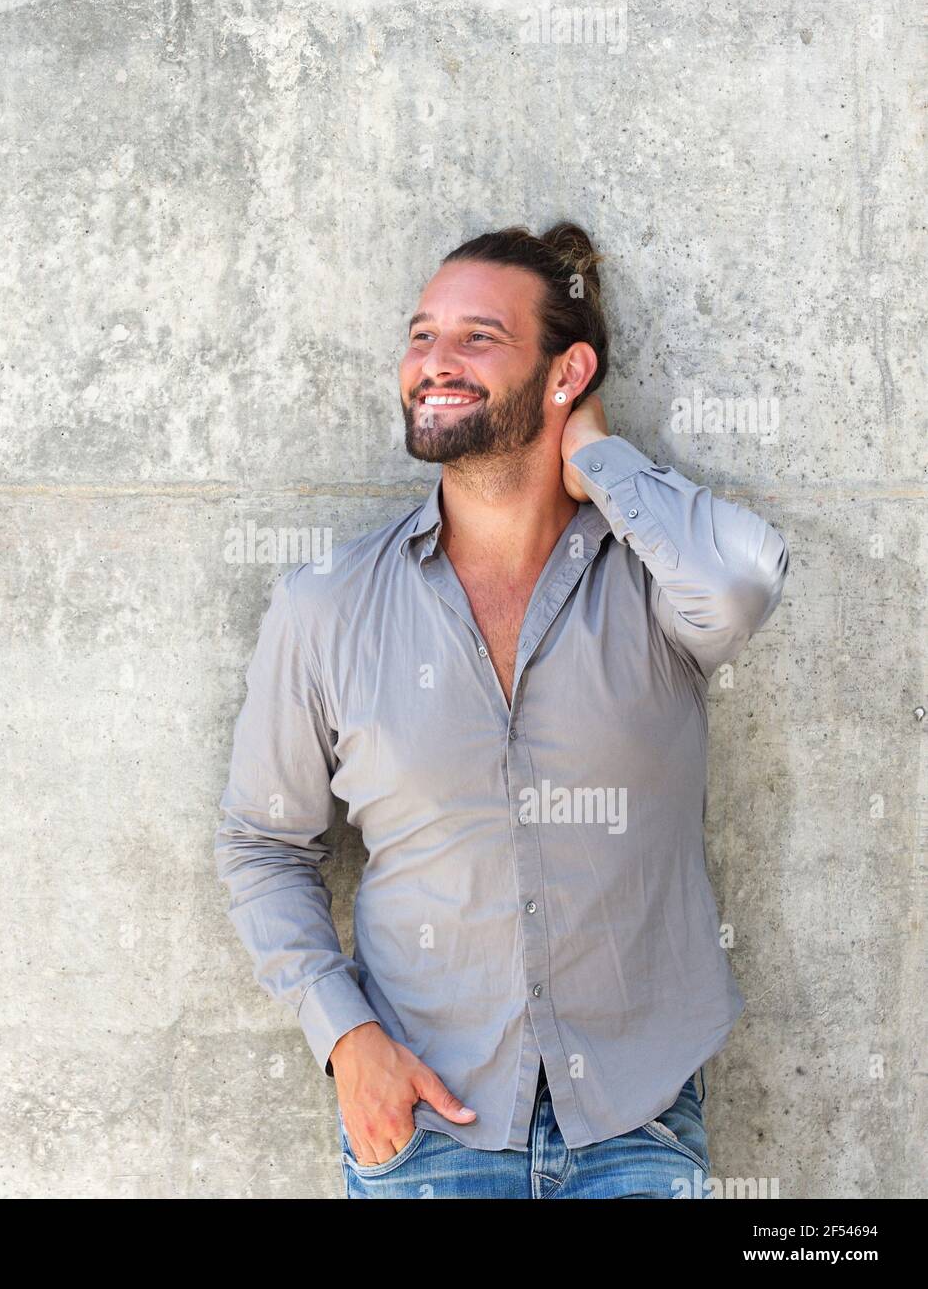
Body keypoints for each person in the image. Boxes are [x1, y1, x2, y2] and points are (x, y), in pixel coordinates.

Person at [216, 224, 789, 1198]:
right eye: (420, 334)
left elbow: (741, 584)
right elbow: (262, 843)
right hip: (427, 1124)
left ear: (566, 371)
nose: (432, 361)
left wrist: (599, 456)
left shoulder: (650, 585)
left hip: (636, 1122)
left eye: (477, 336)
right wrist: (346, 1039)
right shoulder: (326, 606)